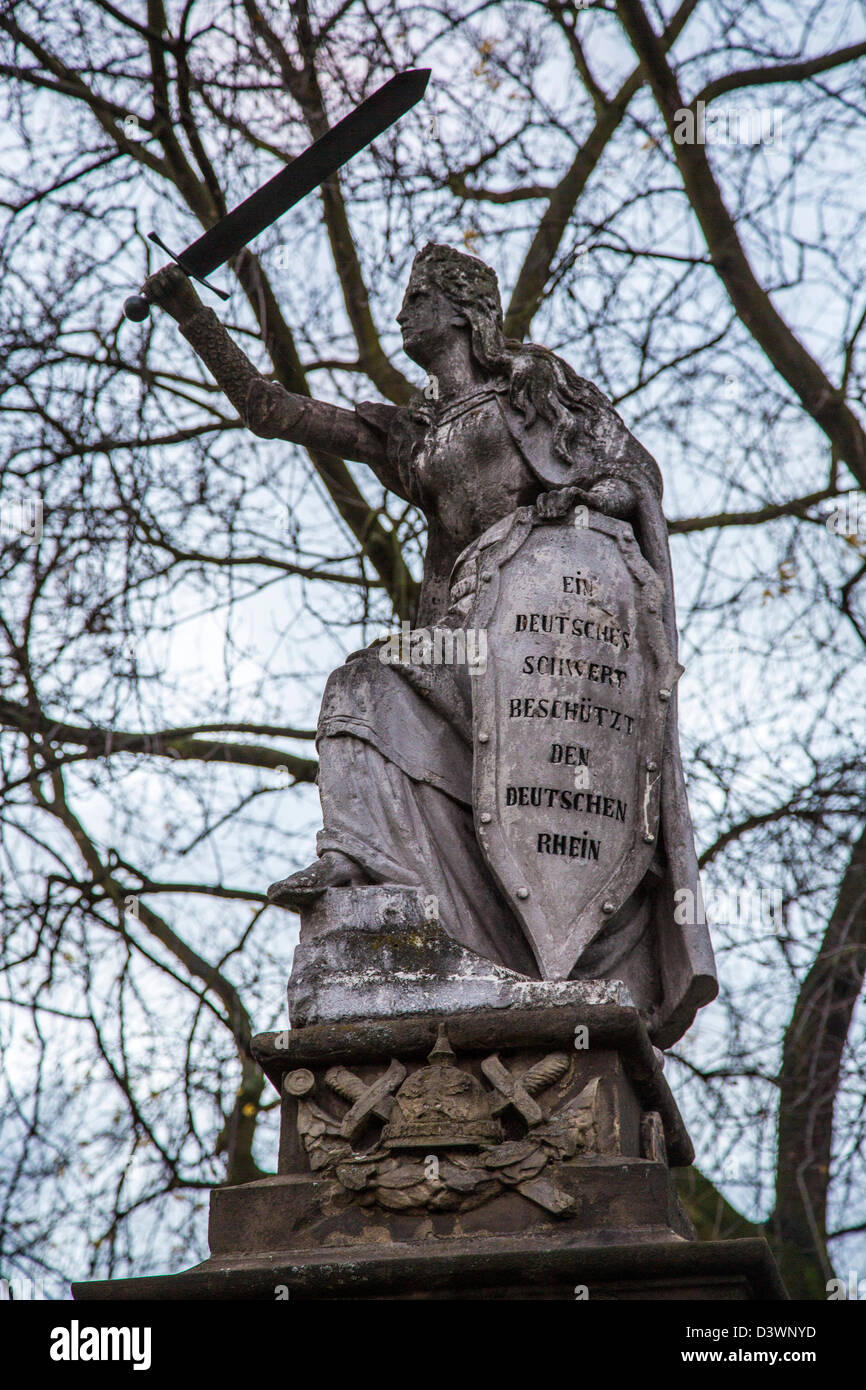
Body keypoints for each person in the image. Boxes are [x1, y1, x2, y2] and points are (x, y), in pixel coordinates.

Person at [143, 243, 716, 1045]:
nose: (403, 313)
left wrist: (587, 499)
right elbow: (270, 412)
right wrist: (191, 315)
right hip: (461, 632)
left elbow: (634, 480)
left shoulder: (534, 391)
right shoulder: (411, 435)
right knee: (361, 685)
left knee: (384, 692)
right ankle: (366, 869)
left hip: (546, 645)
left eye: (418, 297)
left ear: (461, 309)